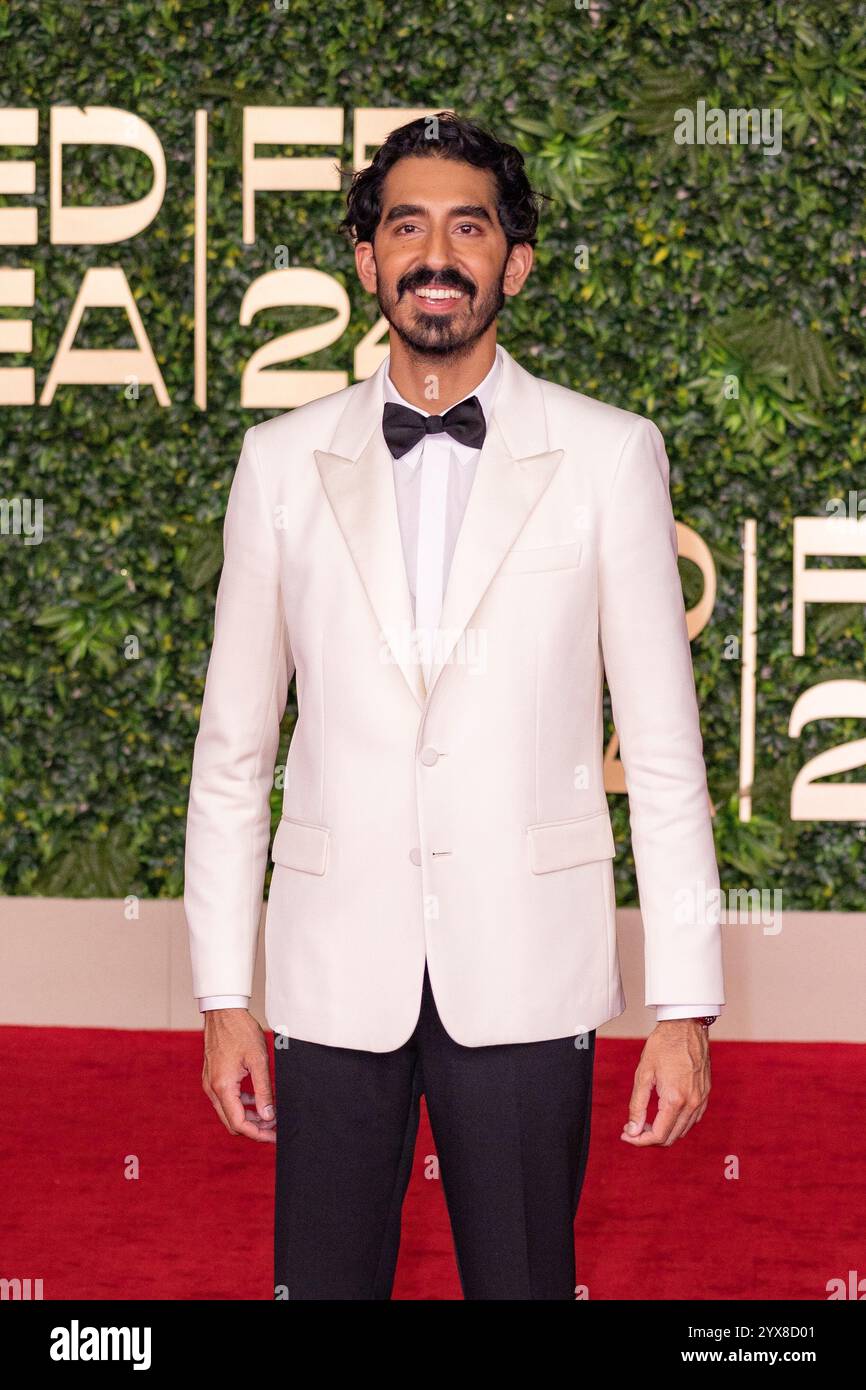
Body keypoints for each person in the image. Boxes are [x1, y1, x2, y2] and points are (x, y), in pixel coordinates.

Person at [183, 111, 725, 1301]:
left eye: (467, 227)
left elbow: (669, 754)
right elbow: (233, 754)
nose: (436, 254)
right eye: (405, 226)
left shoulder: (606, 456)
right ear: (367, 261)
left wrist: (686, 1003)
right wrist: (224, 996)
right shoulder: (279, 463)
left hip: (529, 963)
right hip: (331, 971)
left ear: (513, 263)